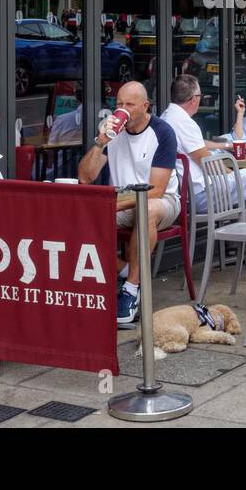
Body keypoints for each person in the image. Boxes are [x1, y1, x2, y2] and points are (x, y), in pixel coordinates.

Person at [77, 81, 180, 326]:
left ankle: (131, 289)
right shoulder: (112, 131)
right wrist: (100, 142)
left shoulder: (162, 132)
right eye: (119, 104)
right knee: (76, 220)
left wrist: (116, 205)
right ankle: (124, 270)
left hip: (162, 202)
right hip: (121, 202)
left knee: (147, 210)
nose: (122, 109)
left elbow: (155, 190)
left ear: (145, 106)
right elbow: (85, 177)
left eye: (129, 104)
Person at [164, 75, 246, 220]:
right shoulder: (184, 123)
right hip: (203, 195)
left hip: (194, 192)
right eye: (200, 96)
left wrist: (227, 145)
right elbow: (208, 163)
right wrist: (233, 173)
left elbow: (198, 144)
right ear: (193, 99)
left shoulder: (168, 117)